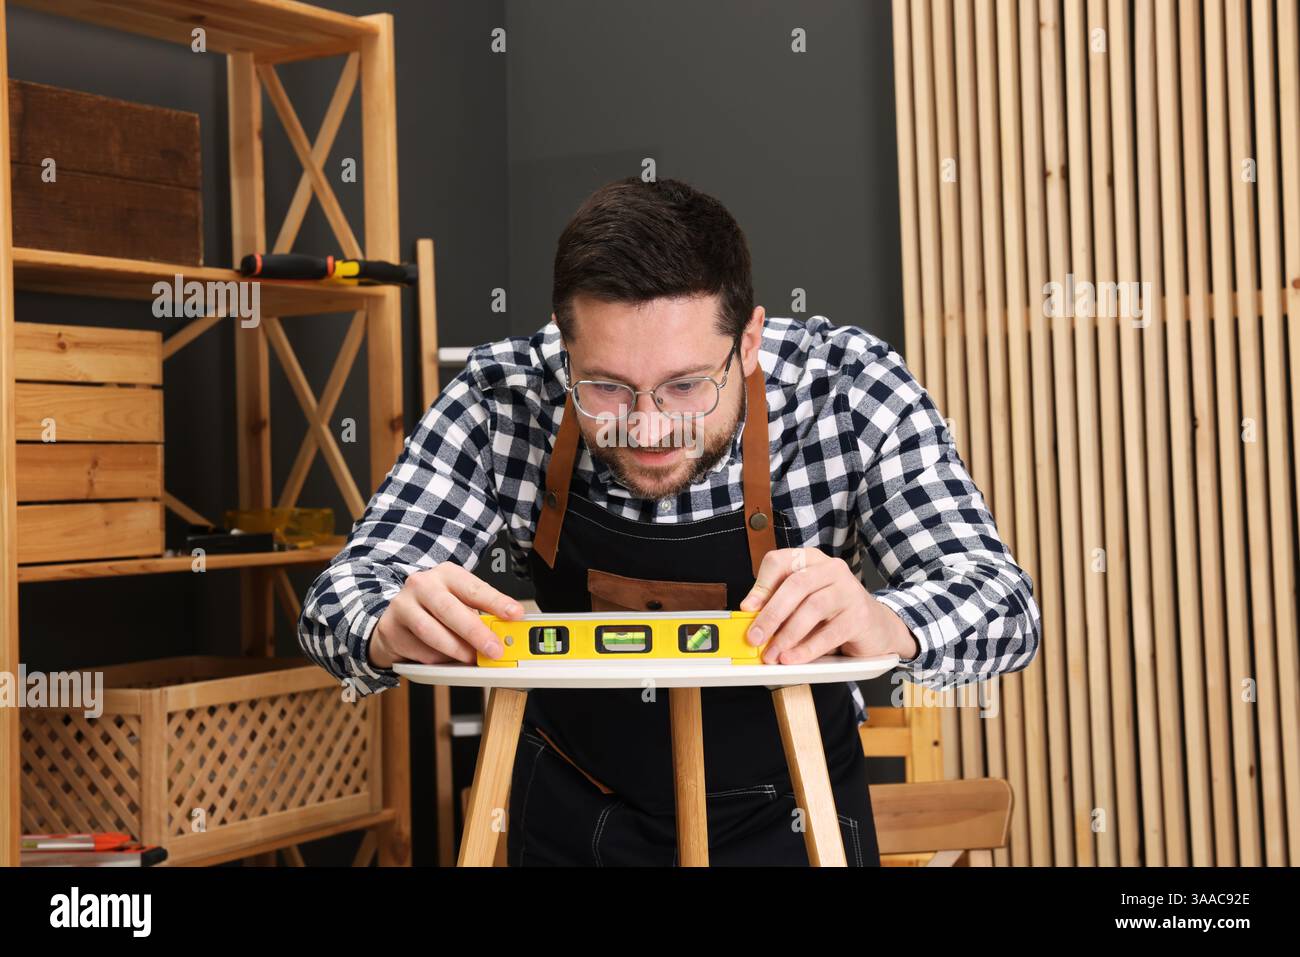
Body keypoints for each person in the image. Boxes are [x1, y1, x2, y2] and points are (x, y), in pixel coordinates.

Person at [297, 176, 1040, 866]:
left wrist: (888, 621)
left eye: (686, 385)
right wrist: (385, 623)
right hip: (571, 813)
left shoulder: (844, 389)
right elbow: (338, 600)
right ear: (566, 350)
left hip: (792, 816)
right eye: (608, 388)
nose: (647, 430)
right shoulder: (501, 398)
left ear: (747, 340)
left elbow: (1003, 604)